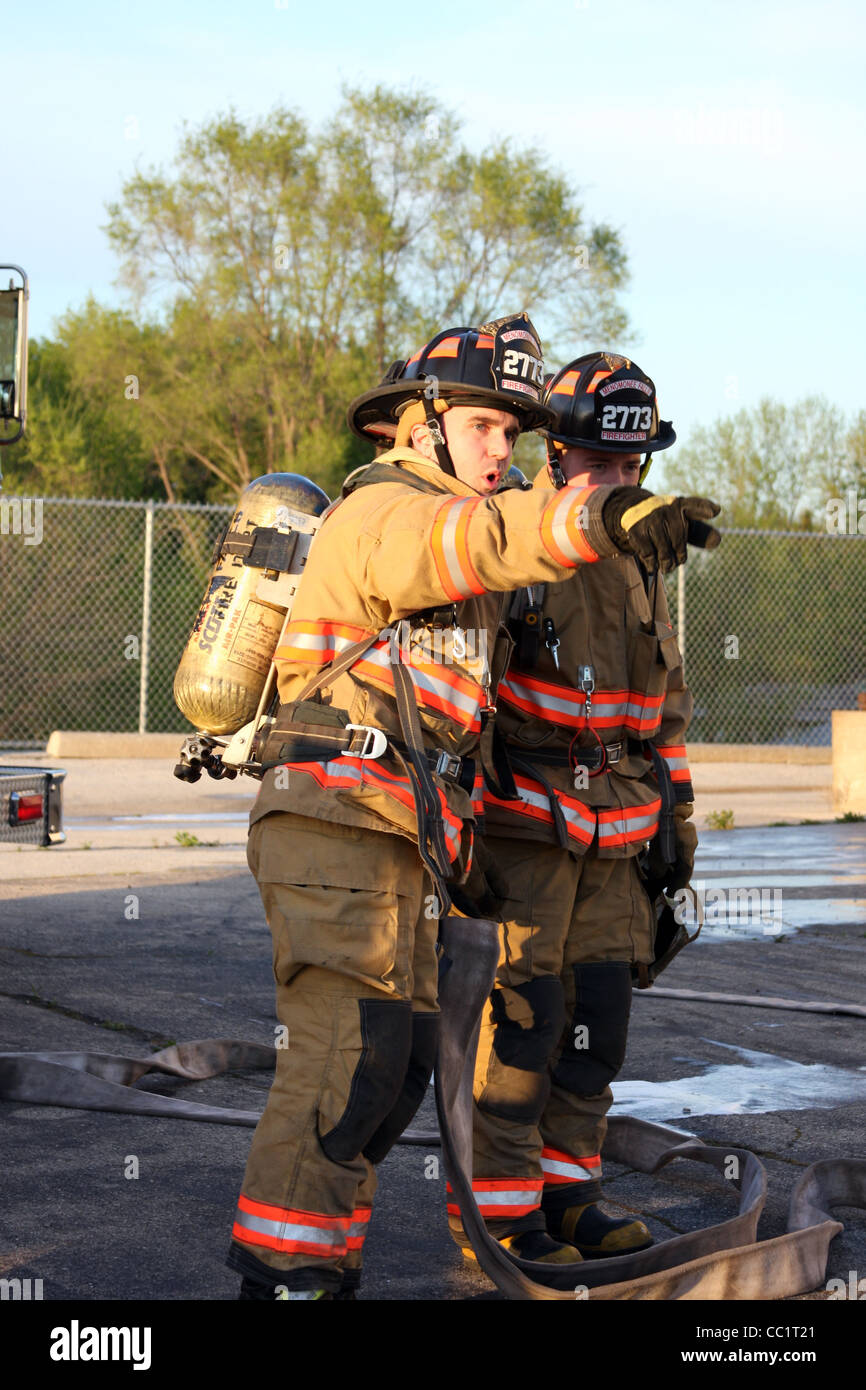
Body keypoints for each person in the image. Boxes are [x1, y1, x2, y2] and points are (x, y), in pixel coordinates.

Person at [225, 323, 720, 1298]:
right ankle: (288, 1278)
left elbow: (474, 702)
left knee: (388, 1070)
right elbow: (458, 546)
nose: (504, 450)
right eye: (489, 426)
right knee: (347, 1067)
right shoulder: (389, 510)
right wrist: (588, 522)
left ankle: (318, 1269)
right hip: (338, 820)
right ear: (420, 424)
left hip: (397, 828)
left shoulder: (465, 526)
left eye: (513, 430)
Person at [454, 352, 710, 1265]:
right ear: (556, 458)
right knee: (527, 1021)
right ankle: (501, 1214)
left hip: (620, 833)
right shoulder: (512, 538)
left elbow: (663, 711)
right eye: (598, 465)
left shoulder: (645, 557)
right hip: (527, 827)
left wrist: (676, 836)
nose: (617, 483)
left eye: (631, 468)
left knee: (598, 1017)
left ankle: (571, 1195)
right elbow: (462, 698)